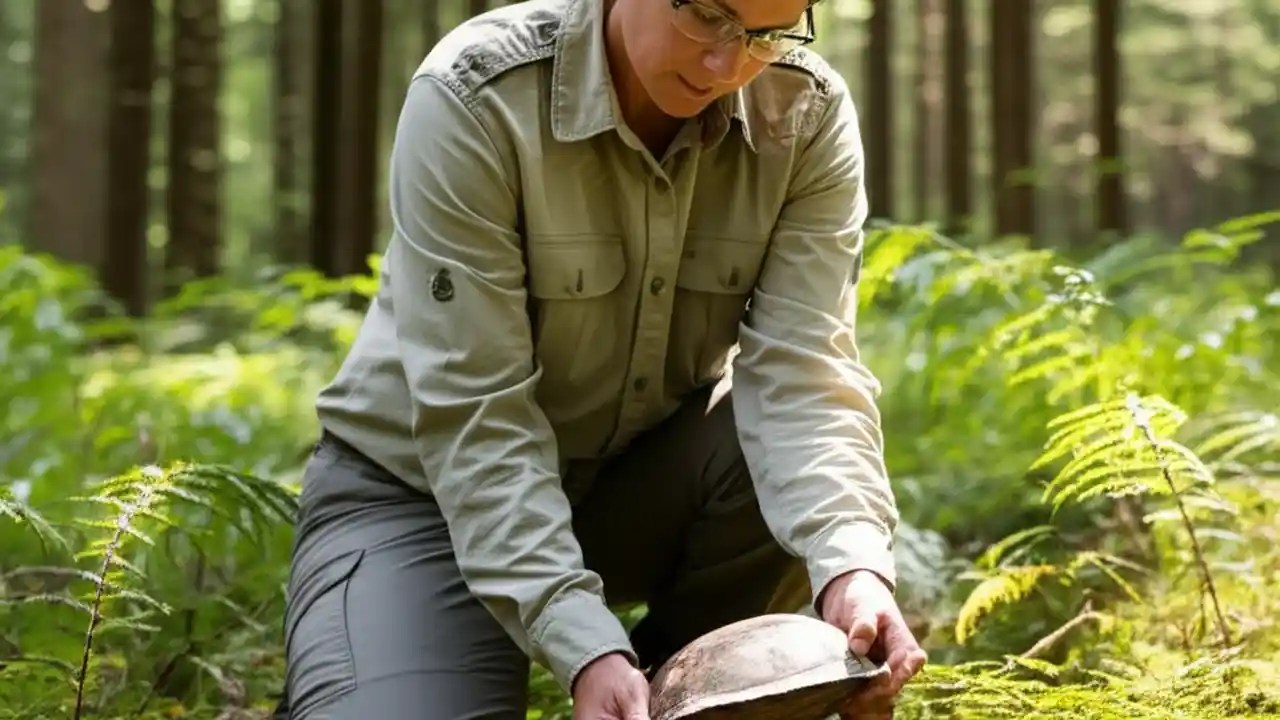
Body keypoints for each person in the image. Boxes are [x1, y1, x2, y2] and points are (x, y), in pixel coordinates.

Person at [274, 0, 927, 717]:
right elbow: (476, 417)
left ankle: (675, 694)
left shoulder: (803, 114)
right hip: (421, 497)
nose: (727, 64)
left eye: (765, 35)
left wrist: (852, 567)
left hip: (633, 488)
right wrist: (584, 644)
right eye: (707, 14)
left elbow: (807, 374)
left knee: (757, 443)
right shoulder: (476, 97)